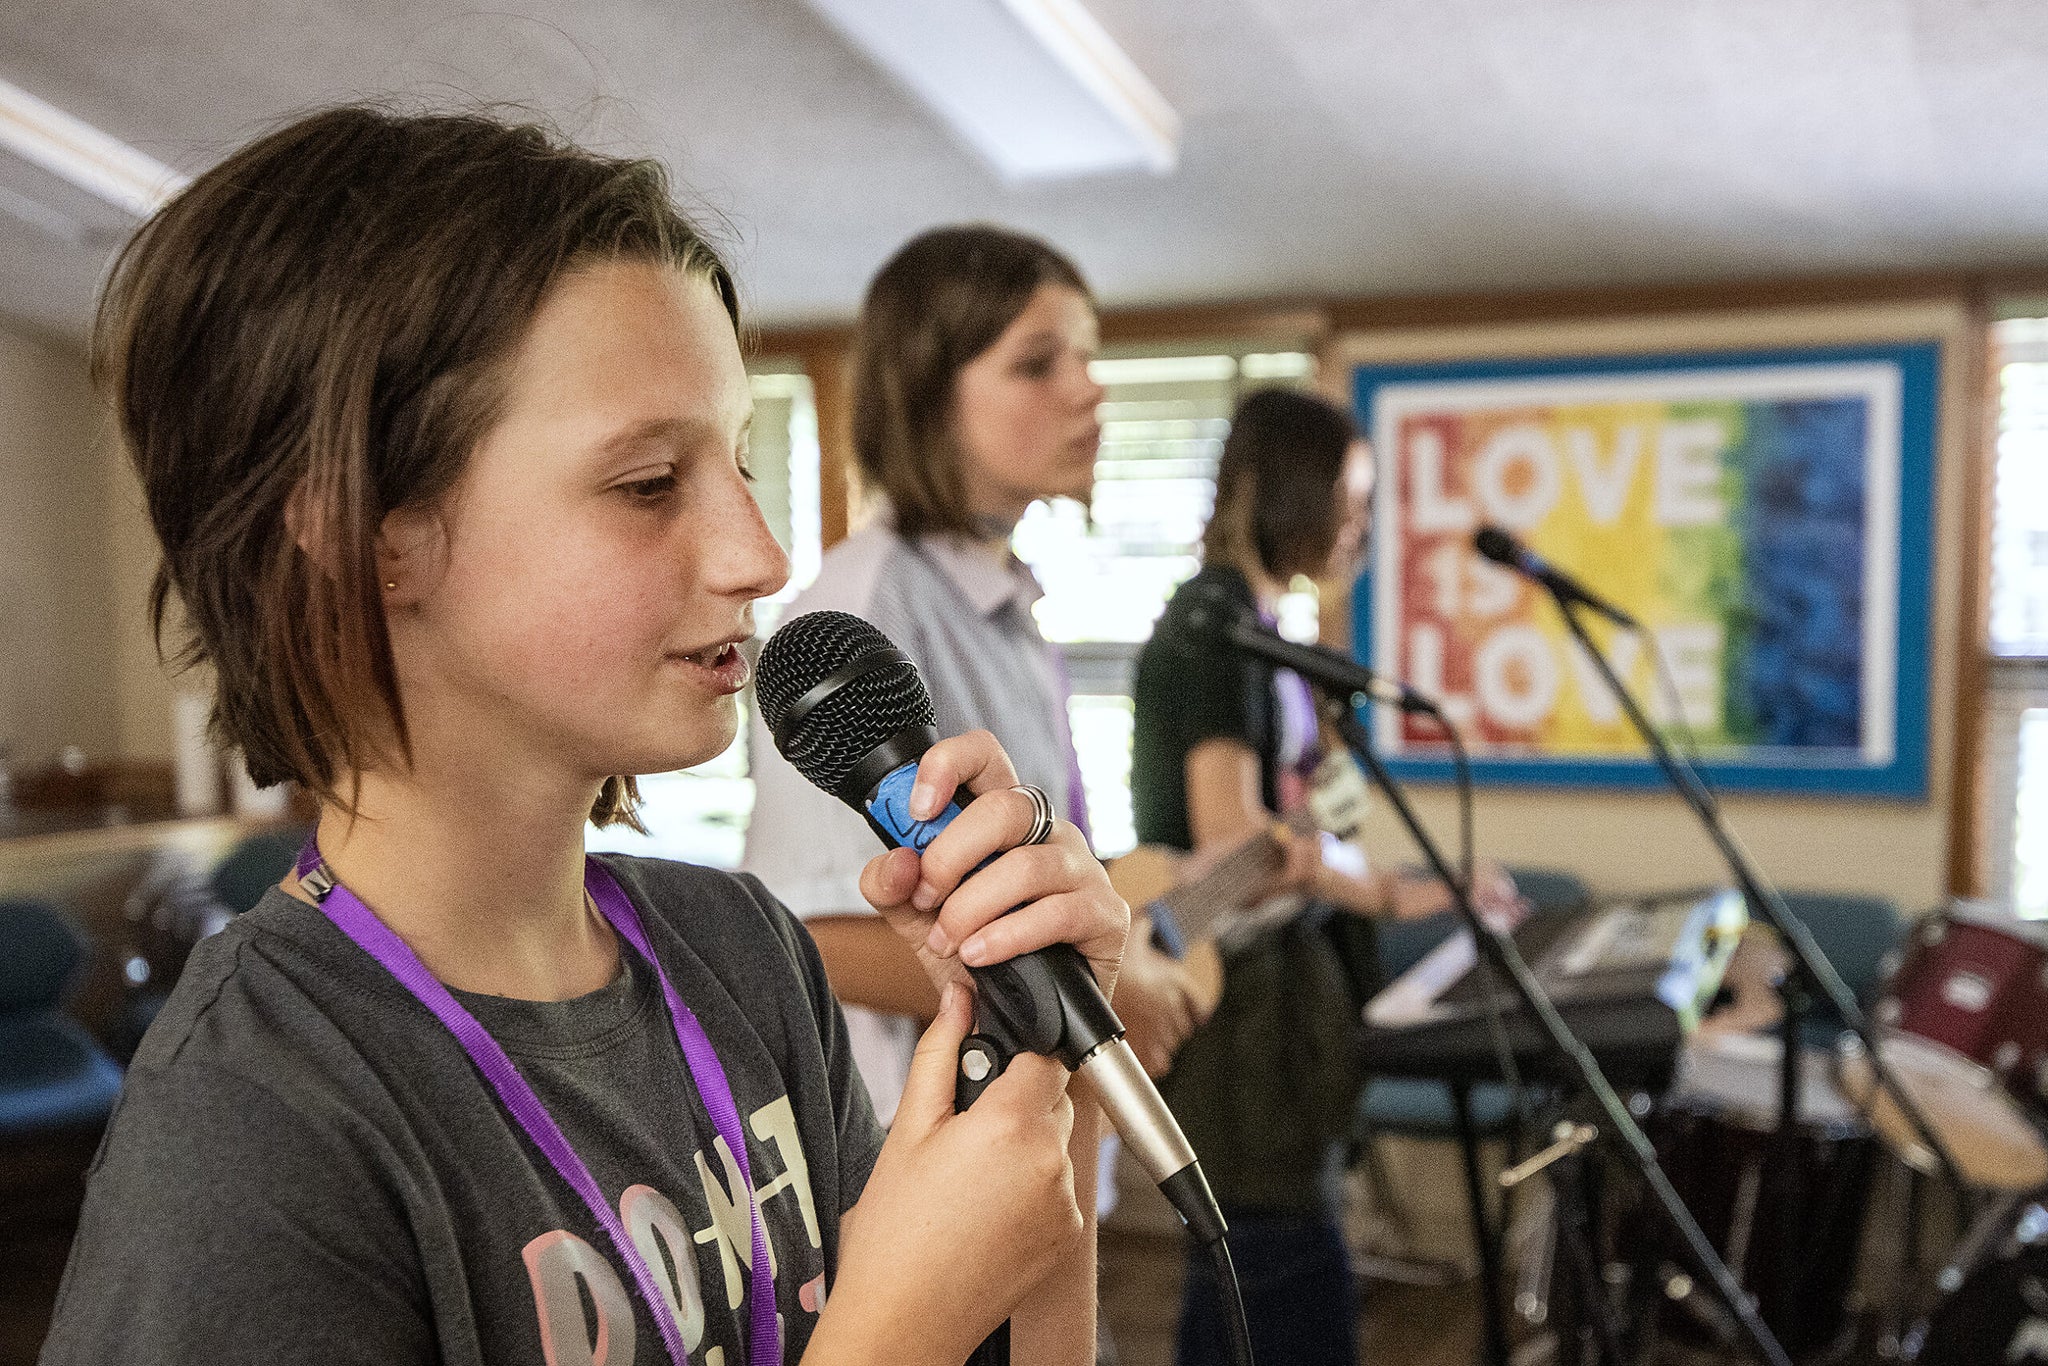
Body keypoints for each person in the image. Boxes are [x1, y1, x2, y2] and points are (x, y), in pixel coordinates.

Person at [40, 107, 1127, 1366]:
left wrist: (1051, 1071)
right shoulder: (255, 1117)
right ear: (359, 532)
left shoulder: (747, 959)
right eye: (646, 484)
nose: (759, 556)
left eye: (733, 465)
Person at [743, 225, 1209, 1128]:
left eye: (1088, 355)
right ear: (926, 395)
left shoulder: (1005, 600)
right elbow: (819, 933)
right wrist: (1095, 1004)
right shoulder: (865, 608)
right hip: (907, 1142)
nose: (1089, 387)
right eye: (1039, 364)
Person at [1130, 387, 1521, 1366]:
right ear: (1285, 491)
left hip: (1274, 996)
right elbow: (1239, 845)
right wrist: (1391, 892)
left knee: (1259, 1277)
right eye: (1346, 498)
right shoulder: (1213, 629)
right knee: (1277, 1277)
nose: (1359, 526)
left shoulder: (1258, 624)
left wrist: (1405, 883)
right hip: (1239, 1008)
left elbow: (1295, 826)